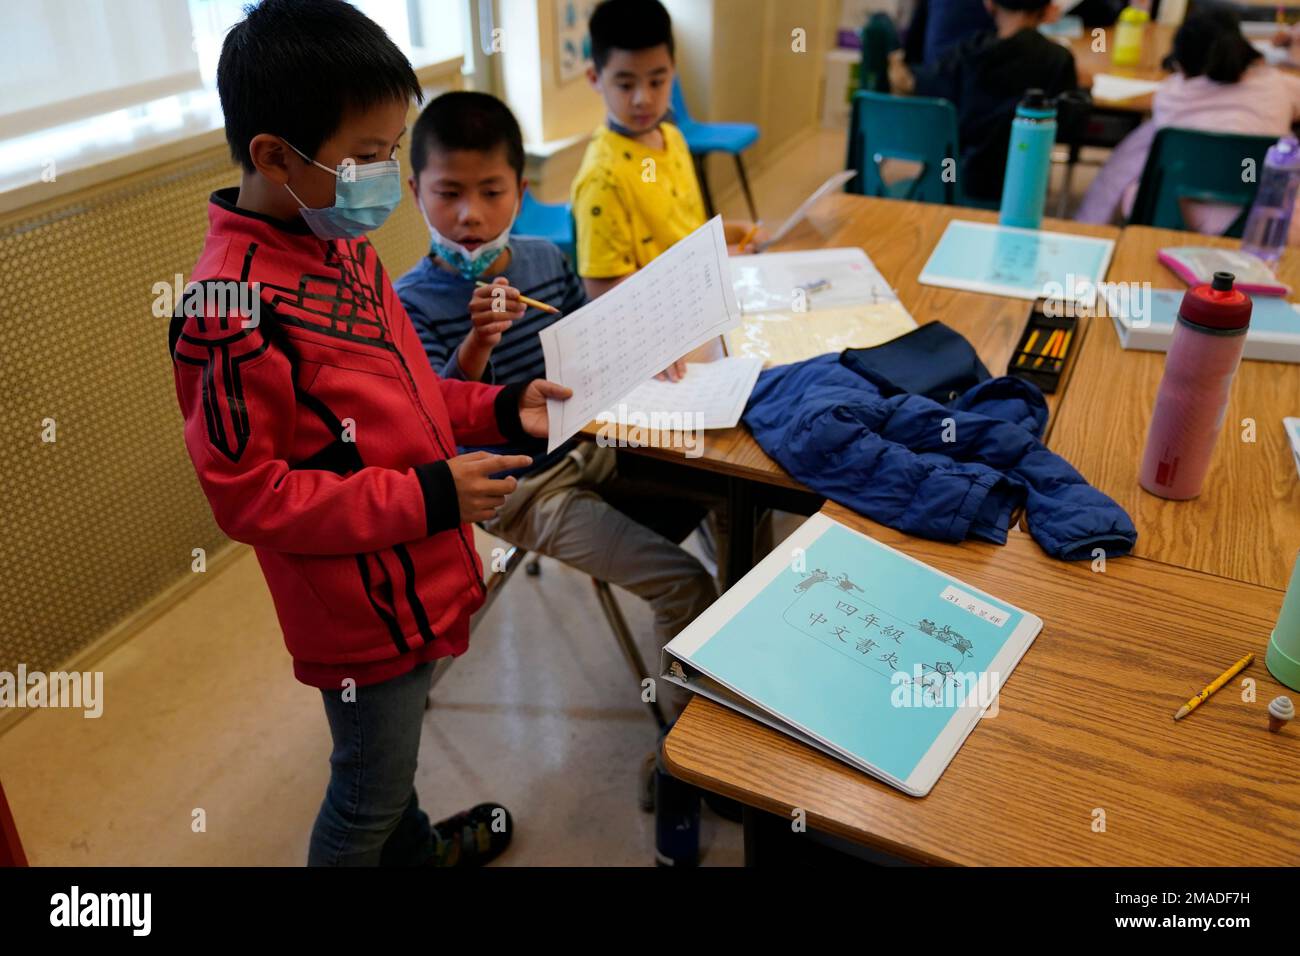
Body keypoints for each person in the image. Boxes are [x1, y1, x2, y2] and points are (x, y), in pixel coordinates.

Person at [170, 0, 569, 866]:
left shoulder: (340, 247)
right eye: (365, 157)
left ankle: (418, 852)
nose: (383, 178)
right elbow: (252, 498)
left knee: (390, 766)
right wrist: (434, 493)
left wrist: (502, 409)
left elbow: (412, 396)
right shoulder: (226, 309)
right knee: (363, 795)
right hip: (358, 609)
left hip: (415, 568)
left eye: (391, 153)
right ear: (274, 155)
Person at [889, 0, 1077, 202]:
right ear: (1048, 8)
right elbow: (1068, 125)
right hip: (1021, 188)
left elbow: (924, 87)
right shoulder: (1058, 59)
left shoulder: (967, 53)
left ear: (989, 4)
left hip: (953, 181)